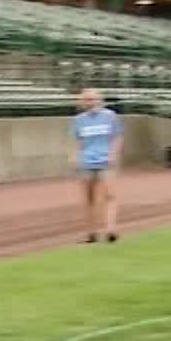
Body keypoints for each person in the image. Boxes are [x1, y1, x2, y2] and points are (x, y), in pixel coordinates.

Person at [70, 88, 122, 243]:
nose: (89, 102)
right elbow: (76, 141)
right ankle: (91, 232)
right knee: (89, 198)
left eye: (92, 99)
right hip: (86, 161)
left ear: (99, 100)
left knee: (109, 194)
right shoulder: (79, 120)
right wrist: (75, 157)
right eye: (86, 100)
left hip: (105, 160)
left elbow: (117, 137)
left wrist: (114, 154)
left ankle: (110, 229)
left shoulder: (110, 116)